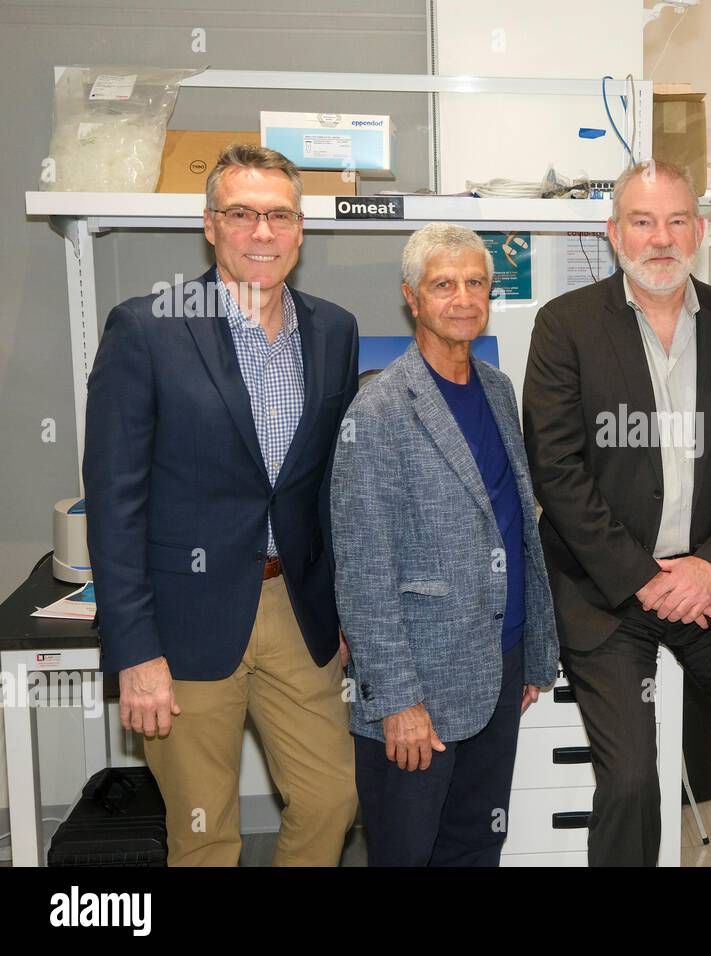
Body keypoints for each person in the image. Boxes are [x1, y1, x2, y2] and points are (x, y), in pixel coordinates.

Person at [523, 159, 711, 867]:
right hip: (609, 592)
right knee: (629, 782)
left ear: (699, 228)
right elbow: (558, 471)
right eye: (643, 221)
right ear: (613, 232)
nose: (661, 238)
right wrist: (644, 577)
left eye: (676, 220)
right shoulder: (565, 326)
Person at [84, 144, 359, 865]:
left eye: (278, 215)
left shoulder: (333, 330)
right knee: (205, 831)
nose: (261, 233)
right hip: (184, 623)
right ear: (210, 226)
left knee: (333, 798)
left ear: (301, 229)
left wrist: (344, 611)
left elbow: (330, 485)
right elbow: (114, 504)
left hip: (297, 614)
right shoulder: (145, 329)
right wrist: (135, 650)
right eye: (242, 214)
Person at [330, 223, 560, 867]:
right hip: (420, 686)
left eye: (475, 283)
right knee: (408, 851)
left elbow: (516, 528)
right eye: (443, 285)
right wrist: (397, 699)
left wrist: (529, 653)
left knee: (477, 842)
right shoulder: (377, 411)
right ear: (412, 297)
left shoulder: (497, 390)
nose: (462, 298)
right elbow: (363, 569)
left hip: (500, 661)